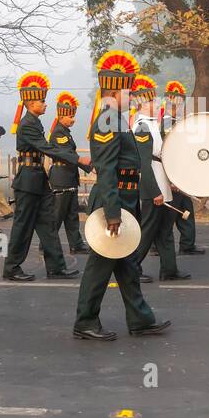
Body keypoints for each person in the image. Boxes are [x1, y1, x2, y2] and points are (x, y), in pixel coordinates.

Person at [73, 50, 170, 341]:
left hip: (124, 201)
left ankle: (140, 319)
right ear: (116, 89)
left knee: (127, 264)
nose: (132, 95)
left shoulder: (115, 118)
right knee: (99, 267)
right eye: (129, 89)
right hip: (113, 202)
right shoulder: (107, 120)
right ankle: (85, 322)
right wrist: (113, 213)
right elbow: (106, 170)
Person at [3, 71, 77, 281]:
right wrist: (78, 160)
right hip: (27, 180)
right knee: (23, 226)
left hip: (38, 178)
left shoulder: (34, 122)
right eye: (42, 101)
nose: (46, 104)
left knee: (47, 224)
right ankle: (12, 267)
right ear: (30, 103)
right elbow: (47, 148)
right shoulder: (27, 124)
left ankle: (56, 267)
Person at [131, 76, 190, 283]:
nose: (156, 104)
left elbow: (161, 156)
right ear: (141, 104)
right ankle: (132, 270)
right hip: (153, 185)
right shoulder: (141, 126)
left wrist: (170, 181)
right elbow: (144, 164)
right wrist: (154, 191)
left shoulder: (151, 124)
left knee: (165, 230)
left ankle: (169, 269)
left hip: (162, 181)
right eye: (151, 101)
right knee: (147, 231)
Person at [162, 80, 205, 255]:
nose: (177, 104)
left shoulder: (180, 121)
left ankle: (187, 244)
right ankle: (157, 245)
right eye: (174, 100)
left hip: (182, 173)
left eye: (180, 100)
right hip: (168, 174)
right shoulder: (162, 122)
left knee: (186, 209)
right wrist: (169, 177)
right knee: (167, 215)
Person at [47, 91, 92, 254]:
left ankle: (76, 244)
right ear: (61, 116)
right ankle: (47, 244)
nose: (73, 119)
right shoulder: (59, 133)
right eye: (70, 116)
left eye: (74, 116)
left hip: (69, 177)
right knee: (57, 215)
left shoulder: (65, 132)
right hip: (61, 178)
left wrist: (89, 165)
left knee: (71, 215)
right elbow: (66, 153)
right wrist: (82, 161)